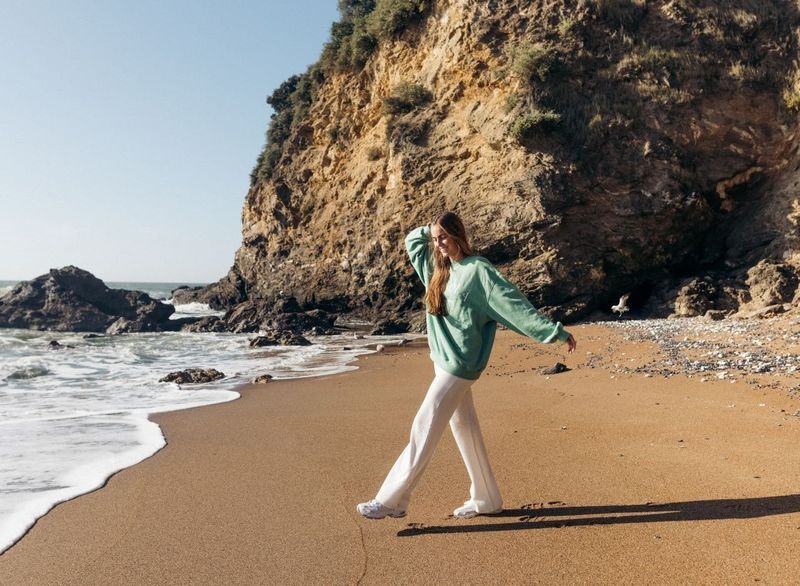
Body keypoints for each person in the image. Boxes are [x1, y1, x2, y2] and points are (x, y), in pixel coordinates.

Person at [356, 211, 577, 520]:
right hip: (441, 362)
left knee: (424, 426)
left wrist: (552, 332)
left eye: (444, 237)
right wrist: (431, 228)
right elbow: (412, 242)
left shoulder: (478, 271)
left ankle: (392, 500)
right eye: (435, 239)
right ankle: (487, 499)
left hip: (459, 367)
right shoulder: (438, 269)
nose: (439, 244)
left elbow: (513, 304)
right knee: (465, 431)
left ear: (458, 234)